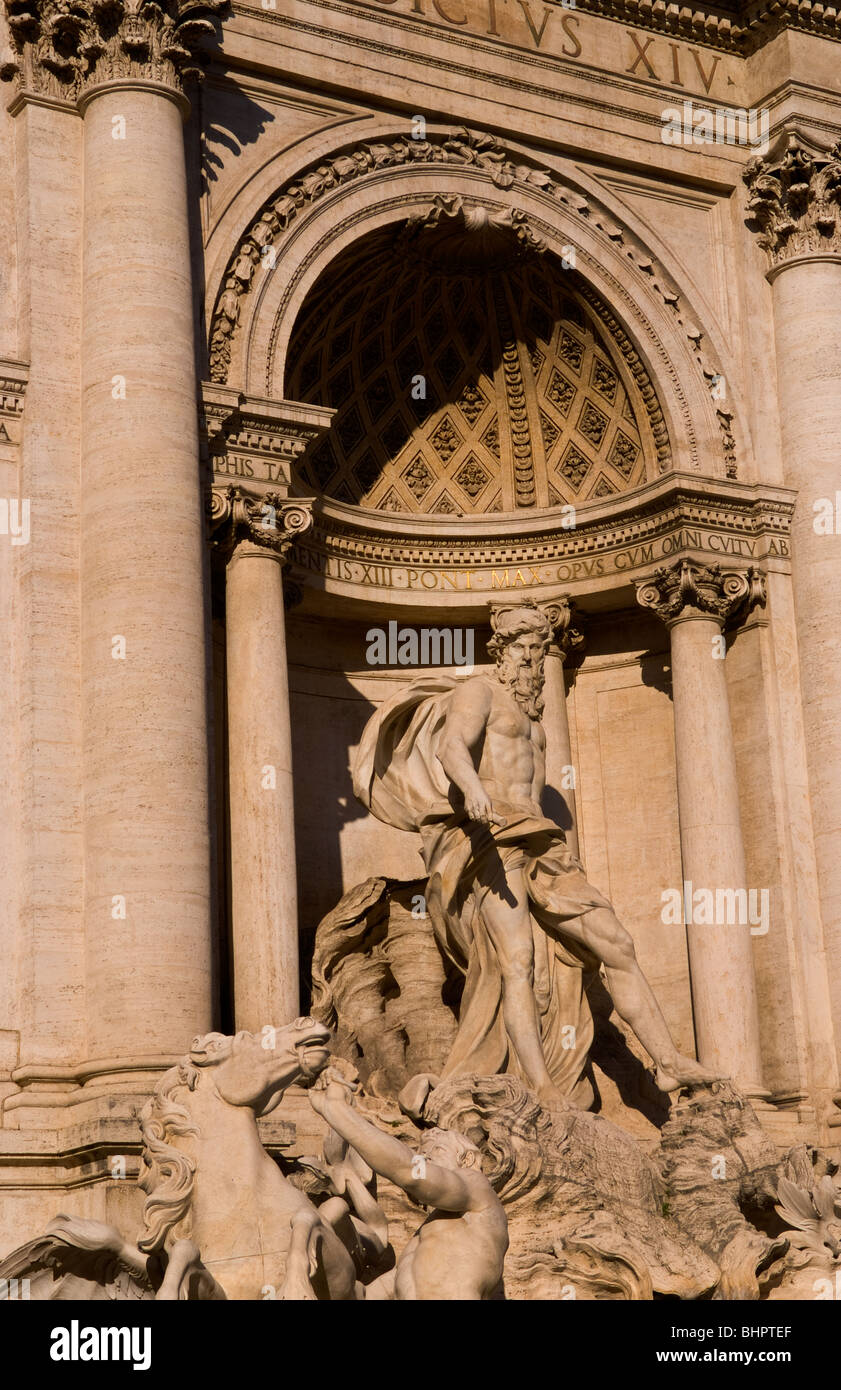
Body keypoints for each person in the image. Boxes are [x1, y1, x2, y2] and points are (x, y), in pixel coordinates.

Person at [352, 599, 720, 1109]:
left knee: (616, 943)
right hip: (492, 836)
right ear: (500, 654)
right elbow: (451, 747)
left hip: (542, 841)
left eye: (536, 649)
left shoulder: (540, 727)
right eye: (520, 649)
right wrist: (473, 791)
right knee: (517, 961)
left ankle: (668, 1062)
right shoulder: (478, 692)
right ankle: (540, 1084)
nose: (528, 660)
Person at [308, 1069, 507, 1300]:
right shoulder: (424, 1241)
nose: (425, 1157)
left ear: (468, 1160)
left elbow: (410, 1173)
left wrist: (338, 1111)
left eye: (438, 1149)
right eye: (422, 1152)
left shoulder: (478, 1190)